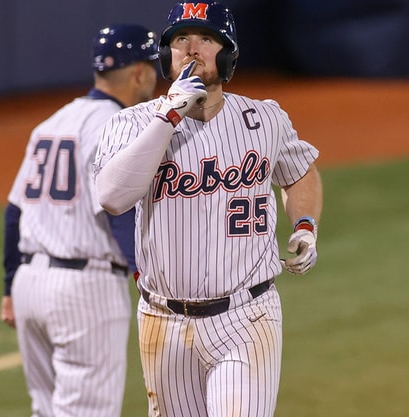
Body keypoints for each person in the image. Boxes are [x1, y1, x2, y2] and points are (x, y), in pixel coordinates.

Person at [93, 2, 323, 416]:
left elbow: (300, 170)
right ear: (166, 55)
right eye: (181, 39)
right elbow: (112, 197)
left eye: (206, 38)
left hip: (246, 317)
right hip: (163, 322)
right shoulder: (129, 123)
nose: (193, 48)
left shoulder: (264, 118)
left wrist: (305, 225)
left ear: (229, 52)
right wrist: (168, 116)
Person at [0, 24, 159, 417]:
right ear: (138, 71)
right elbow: (116, 210)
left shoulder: (52, 123)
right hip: (85, 292)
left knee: (46, 409)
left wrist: (8, 287)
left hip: (29, 284)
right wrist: (148, 280)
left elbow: (14, 212)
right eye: (153, 67)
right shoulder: (119, 126)